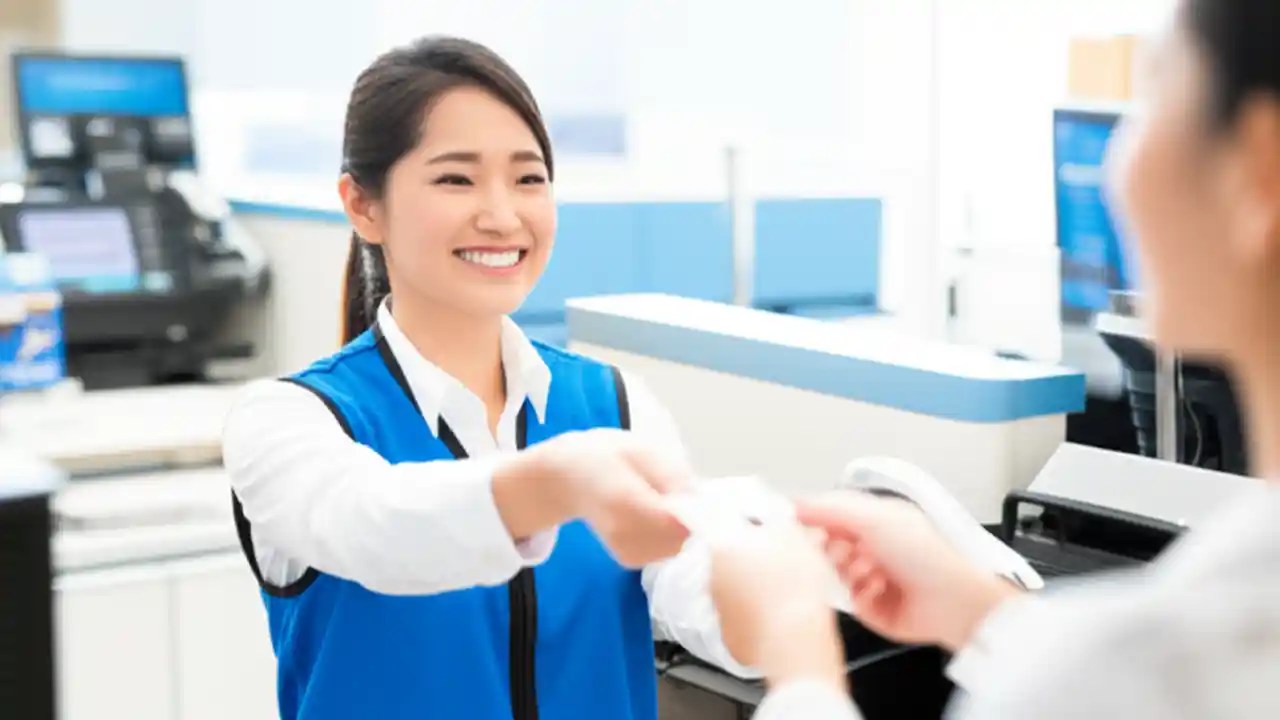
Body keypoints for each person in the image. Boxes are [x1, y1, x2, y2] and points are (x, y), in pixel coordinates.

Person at [710, 0, 1280, 717]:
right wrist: (976, 612)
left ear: (1260, 172)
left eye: (1155, 90)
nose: (1116, 165)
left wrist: (797, 658)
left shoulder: (1158, 663)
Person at [222, 36, 753, 720]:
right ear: (362, 206)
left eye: (528, 178)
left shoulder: (617, 406)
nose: (502, 215)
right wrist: (561, 481)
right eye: (457, 179)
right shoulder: (290, 421)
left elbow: (704, 602)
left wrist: (792, 577)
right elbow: (378, 527)